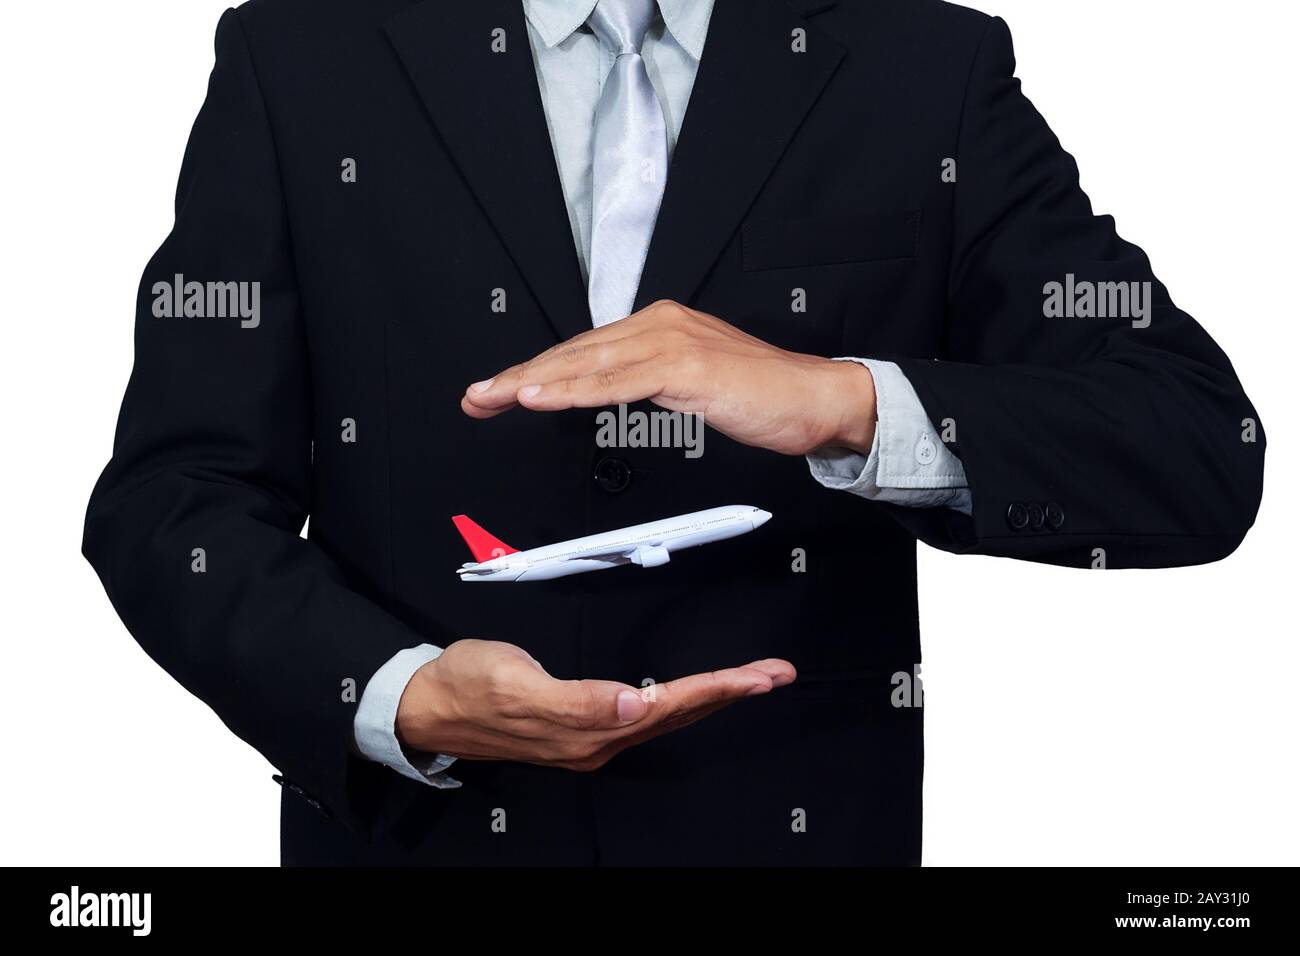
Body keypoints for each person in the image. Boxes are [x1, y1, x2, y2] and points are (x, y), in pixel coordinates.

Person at [84, 0, 1265, 865]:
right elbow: (172, 498)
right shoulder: (301, 56)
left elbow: (1198, 443)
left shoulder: (925, 66)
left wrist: (848, 397)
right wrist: (392, 691)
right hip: (418, 838)